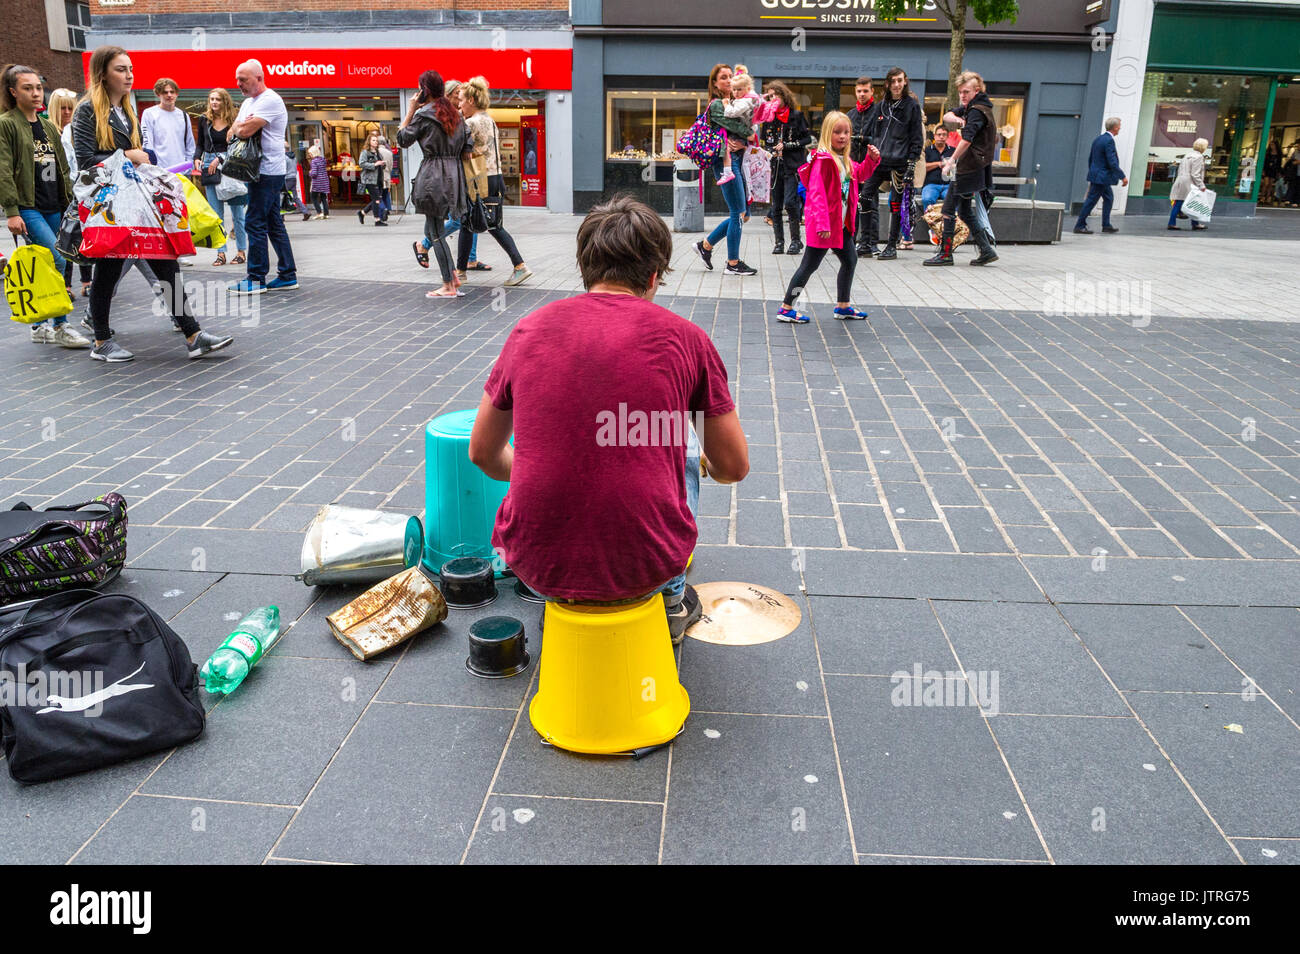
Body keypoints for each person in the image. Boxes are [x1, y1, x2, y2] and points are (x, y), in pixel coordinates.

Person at [467, 195, 749, 642]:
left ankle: (570, 603)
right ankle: (672, 596)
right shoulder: (689, 340)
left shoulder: (527, 331)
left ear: (585, 270)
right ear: (654, 276)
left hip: (533, 560)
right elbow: (733, 467)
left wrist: (542, 466)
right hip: (648, 563)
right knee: (684, 438)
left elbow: (481, 453)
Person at [71, 46, 233, 362]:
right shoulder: (88, 110)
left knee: (166, 262)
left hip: (136, 202)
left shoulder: (126, 110)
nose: (129, 74)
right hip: (109, 205)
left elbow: (134, 155)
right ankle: (101, 341)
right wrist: (128, 155)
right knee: (108, 269)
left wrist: (146, 159)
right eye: (121, 69)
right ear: (102, 73)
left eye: (130, 68)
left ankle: (194, 334)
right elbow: (85, 162)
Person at [0, 65, 90, 347]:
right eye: (28, 88)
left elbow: (63, 169)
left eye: (38, 87)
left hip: (55, 205)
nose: (36, 93)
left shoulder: (48, 127)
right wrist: (12, 211)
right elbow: (3, 169)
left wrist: (70, 205)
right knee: (59, 258)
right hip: (28, 206)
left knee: (52, 262)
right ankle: (61, 325)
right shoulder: (7, 124)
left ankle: (40, 325)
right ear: (13, 92)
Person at [776, 112, 880, 324]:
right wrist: (823, 224)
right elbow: (816, 193)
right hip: (825, 226)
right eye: (837, 132)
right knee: (809, 266)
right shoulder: (824, 160)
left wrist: (872, 159)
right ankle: (787, 307)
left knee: (850, 260)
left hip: (838, 225)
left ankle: (843, 306)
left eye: (846, 132)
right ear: (827, 133)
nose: (843, 136)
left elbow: (859, 174)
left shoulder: (844, 159)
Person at [398, 69, 470, 299]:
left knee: (436, 231)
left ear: (423, 91)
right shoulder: (455, 115)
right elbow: (468, 148)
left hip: (433, 176)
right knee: (433, 229)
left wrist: (410, 110)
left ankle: (448, 285)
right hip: (454, 174)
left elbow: (402, 140)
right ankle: (452, 276)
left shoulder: (424, 114)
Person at [228, 59, 297, 294]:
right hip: (259, 171)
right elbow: (232, 131)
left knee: (254, 222)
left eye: (243, 79)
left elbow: (243, 130)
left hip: (267, 171)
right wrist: (240, 126)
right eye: (237, 79)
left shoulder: (270, 100)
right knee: (273, 223)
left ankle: (255, 278)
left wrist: (242, 126)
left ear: (259, 77)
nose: (238, 84)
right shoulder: (249, 103)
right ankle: (287, 274)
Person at [457, 76, 532, 287]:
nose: (459, 105)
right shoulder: (489, 120)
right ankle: (462, 272)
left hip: (480, 178)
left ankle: (461, 273)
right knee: (489, 224)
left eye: (462, 100)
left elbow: (460, 150)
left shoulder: (470, 123)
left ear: (471, 99)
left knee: (470, 223)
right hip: (496, 177)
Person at [924, 71, 998, 267]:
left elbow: (967, 139)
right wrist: (960, 119)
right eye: (960, 93)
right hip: (975, 167)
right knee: (964, 210)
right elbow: (949, 114)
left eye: (966, 92)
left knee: (948, 208)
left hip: (968, 166)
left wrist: (950, 161)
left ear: (977, 90)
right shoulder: (975, 107)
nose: (963, 96)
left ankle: (945, 254)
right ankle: (987, 250)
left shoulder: (976, 111)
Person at [694, 64, 757, 276]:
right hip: (725, 163)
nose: (729, 80)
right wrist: (748, 136)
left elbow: (746, 133)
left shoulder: (735, 102)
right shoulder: (716, 105)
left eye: (731, 76)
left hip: (738, 159)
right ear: (714, 83)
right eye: (723, 78)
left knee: (744, 213)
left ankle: (706, 245)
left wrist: (746, 142)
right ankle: (732, 262)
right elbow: (739, 129)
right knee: (737, 212)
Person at [860, 68, 924, 260]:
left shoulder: (911, 106)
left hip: (900, 163)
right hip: (879, 161)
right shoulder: (881, 106)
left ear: (905, 82)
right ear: (887, 84)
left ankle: (891, 246)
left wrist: (911, 165)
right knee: (864, 197)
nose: (896, 84)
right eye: (893, 81)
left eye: (900, 80)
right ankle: (865, 243)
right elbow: (873, 133)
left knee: (896, 204)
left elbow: (916, 137)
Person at [47, 86, 94, 301]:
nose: (67, 112)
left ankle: (87, 281)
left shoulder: (79, 130)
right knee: (64, 238)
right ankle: (65, 284)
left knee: (82, 235)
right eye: (62, 108)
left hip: (81, 190)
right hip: (58, 193)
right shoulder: (49, 133)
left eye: (70, 108)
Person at [191, 87, 247, 267]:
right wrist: (196, 158)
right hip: (209, 166)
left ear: (225, 101)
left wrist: (221, 158)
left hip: (231, 166)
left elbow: (240, 145)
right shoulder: (204, 120)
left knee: (238, 213)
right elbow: (200, 144)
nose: (214, 102)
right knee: (217, 214)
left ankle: (241, 251)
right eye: (212, 99)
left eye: (218, 99)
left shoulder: (234, 119)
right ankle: (221, 253)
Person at [759, 80, 812, 256]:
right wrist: (768, 152)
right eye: (770, 96)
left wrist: (788, 145)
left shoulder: (796, 116)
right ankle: (779, 242)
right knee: (775, 207)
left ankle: (796, 241)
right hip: (774, 167)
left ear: (784, 96)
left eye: (776, 95)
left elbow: (807, 139)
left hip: (792, 166)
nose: (773, 99)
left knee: (790, 203)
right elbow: (764, 142)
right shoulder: (768, 119)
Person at [1072, 117, 1128, 234]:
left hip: (1099, 176)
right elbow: (1112, 162)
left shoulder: (1098, 139)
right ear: (1115, 127)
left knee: (1108, 198)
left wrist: (1093, 172)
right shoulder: (1109, 141)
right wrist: (1122, 176)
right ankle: (1079, 225)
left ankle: (1106, 225)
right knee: (1091, 201)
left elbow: (1091, 159)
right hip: (1102, 177)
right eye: (1119, 126)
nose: (1120, 128)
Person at [139, 77, 196, 172]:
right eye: (165, 92)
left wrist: (188, 166)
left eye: (172, 92)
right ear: (158, 94)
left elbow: (190, 144)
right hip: (159, 171)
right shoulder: (149, 113)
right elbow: (147, 143)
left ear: (176, 94)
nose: (169, 95)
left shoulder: (183, 115)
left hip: (182, 171)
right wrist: (152, 168)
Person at [848, 75, 877, 253]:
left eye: (865, 91)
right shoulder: (851, 114)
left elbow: (879, 138)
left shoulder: (878, 112)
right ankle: (851, 241)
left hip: (870, 165)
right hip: (853, 165)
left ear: (872, 91)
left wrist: (863, 139)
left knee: (869, 204)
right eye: (859, 91)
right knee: (853, 204)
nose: (862, 94)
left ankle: (870, 242)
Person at [1168, 138, 1209, 231]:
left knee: (1178, 202)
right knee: (1194, 202)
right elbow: (1195, 173)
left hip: (1181, 180)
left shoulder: (1187, 156)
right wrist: (1201, 185)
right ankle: (1195, 224)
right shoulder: (1199, 157)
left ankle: (1172, 223)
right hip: (1190, 182)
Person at [919, 124, 955, 209]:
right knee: (927, 199)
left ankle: (949, 221)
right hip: (931, 185)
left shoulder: (953, 151)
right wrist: (938, 164)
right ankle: (931, 221)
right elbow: (921, 168)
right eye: (939, 135)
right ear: (934, 136)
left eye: (944, 135)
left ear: (947, 137)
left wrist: (950, 166)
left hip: (948, 185)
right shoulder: (927, 150)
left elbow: (960, 166)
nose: (941, 137)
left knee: (953, 200)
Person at [357, 131, 389, 226]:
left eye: (376, 140)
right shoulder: (365, 152)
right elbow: (361, 164)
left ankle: (362, 213)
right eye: (373, 140)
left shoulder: (378, 152)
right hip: (369, 179)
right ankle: (377, 220)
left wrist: (382, 164)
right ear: (369, 141)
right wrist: (374, 164)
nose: (376, 142)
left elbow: (381, 164)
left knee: (377, 199)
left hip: (379, 179)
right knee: (376, 200)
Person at [307, 143, 329, 218]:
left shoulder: (314, 161)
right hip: (324, 181)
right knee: (323, 197)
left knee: (313, 197)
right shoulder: (323, 160)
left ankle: (319, 212)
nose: (309, 155)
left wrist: (310, 173)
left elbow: (314, 173)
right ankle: (326, 214)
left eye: (310, 153)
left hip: (317, 182)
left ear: (313, 153)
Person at [1262, 139, 1281, 205]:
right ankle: (1262, 197)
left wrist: (1278, 172)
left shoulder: (1279, 154)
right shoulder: (1268, 153)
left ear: (1276, 145)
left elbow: (1279, 164)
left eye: (1273, 145)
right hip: (1267, 169)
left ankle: (1267, 198)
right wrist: (1263, 170)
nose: (1271, 146)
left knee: (1270, 185)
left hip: (1274, 170)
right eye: (1270, 145)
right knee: (1266, 183)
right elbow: (1264, 162)